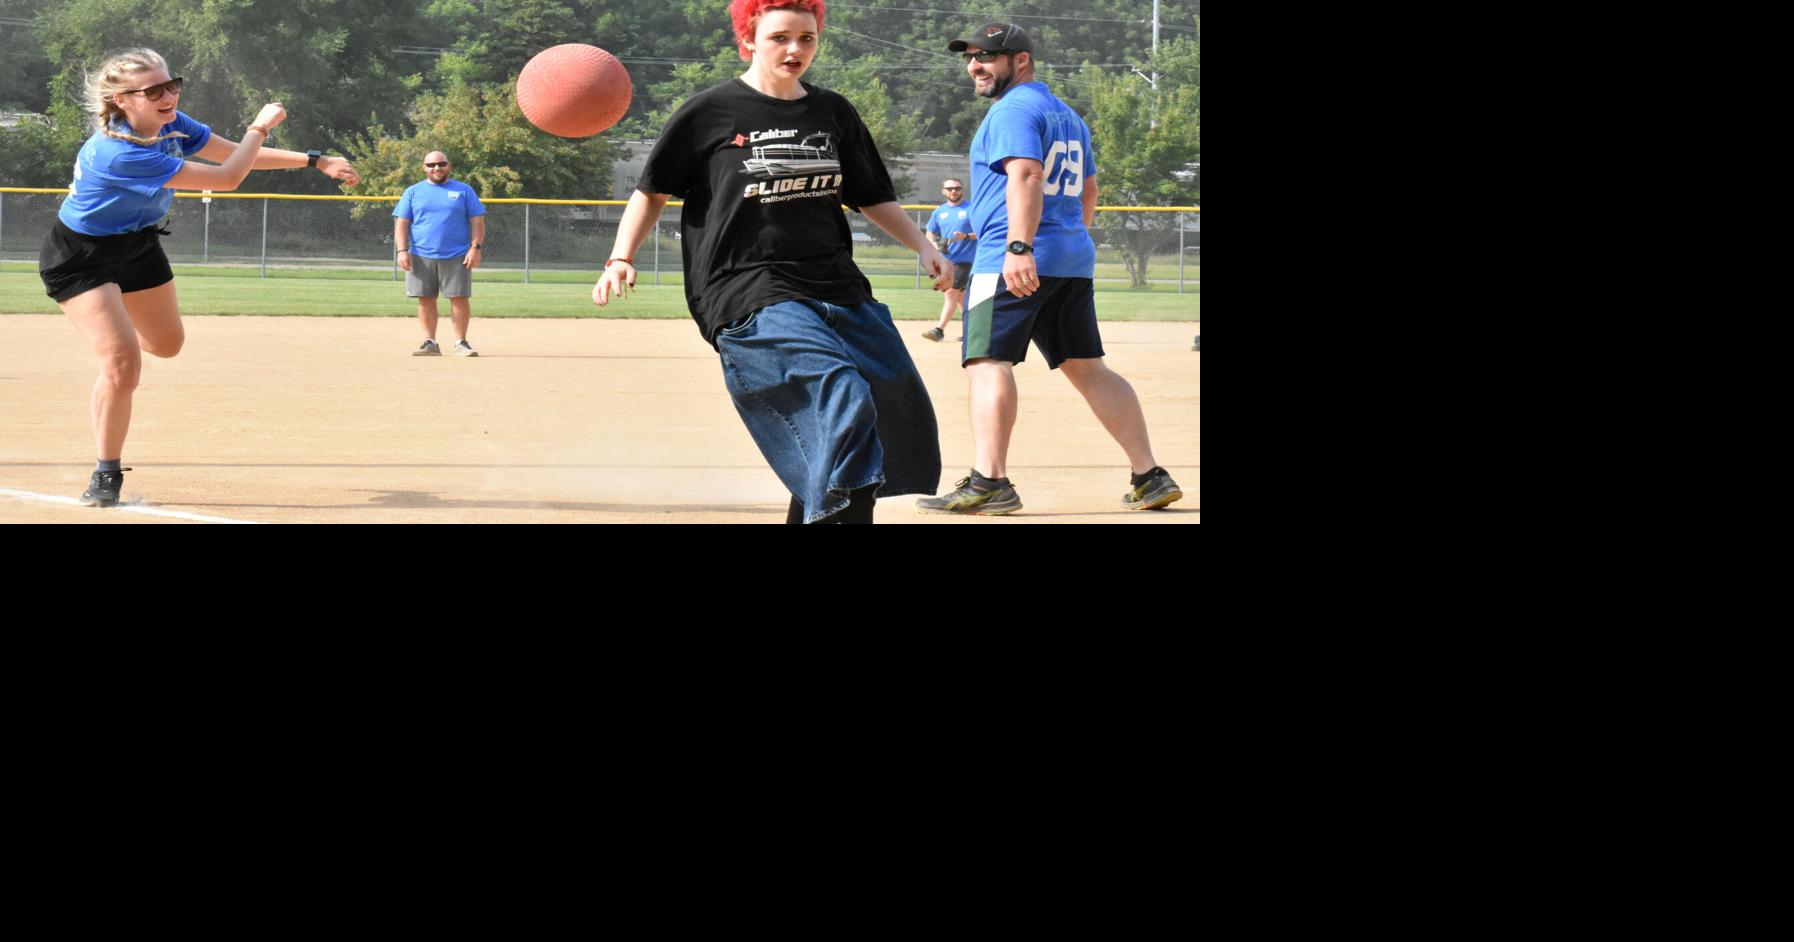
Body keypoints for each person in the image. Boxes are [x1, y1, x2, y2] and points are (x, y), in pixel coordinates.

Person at [594, 0, 953, 524]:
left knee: (889, 403)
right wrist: (620, 256)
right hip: (745, 284)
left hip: (835, 284)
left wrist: (925, 246)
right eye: (780, 37)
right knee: (838, 392)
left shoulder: (832, 112)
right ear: (749, 40)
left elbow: (871, 194)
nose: (795, 49)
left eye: (806, 39)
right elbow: (651, 192)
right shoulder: (708, 112)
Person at [38, 48, 358, 507]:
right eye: (153, 90)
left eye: (171, 84)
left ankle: (114, 332)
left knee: (167, 345)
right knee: (123, 363)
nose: (168, 95)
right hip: (82, 256)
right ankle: (106, 474)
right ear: (123, 100)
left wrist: (315, 159)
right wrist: (260, 125)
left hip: (139, 246)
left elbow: (231, 154)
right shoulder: (116, 151)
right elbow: (228, 177)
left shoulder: (171, 123)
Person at [917, 23, 1183, 515]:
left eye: (987, 57)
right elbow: (1090, 190)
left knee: (986, 361)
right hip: (1069, 260)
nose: (975, 66)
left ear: (1020, 60)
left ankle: (989, 481)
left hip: (1008, 257)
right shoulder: (1066, 115)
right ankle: (1149, 475)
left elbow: (1027, 173)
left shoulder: (1013, 109)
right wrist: (1067, 242)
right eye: (970, 58)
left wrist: (1020, 246)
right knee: (1087, 367)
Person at [394, 151, 485, 356]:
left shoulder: (464, 190)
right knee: (425, 298)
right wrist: (401, 250)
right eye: (431, 164)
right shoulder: (413, 192)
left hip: (457, 254)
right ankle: (430, 343)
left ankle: (461, 342)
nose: (437, 168)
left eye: (441, 163)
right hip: (420, 254)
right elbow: (402, 222)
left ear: (448, 165)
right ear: (424, 167)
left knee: (459, 297)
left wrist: (475, 248)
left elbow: (477, 221)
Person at [920, 178, 976, 342]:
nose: (953, 191)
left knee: (951, 294)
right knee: (960, 298)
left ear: (962, 190)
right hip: (946, 261)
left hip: (965, 259)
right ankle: (972, 332)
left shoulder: (971, 208)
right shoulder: (939, 211)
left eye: (957, 188)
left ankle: (939, 331)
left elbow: (984, 232)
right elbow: (930, 232)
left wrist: (966, 236)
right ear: (943, 191)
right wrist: (933, 245)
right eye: (950, 188)